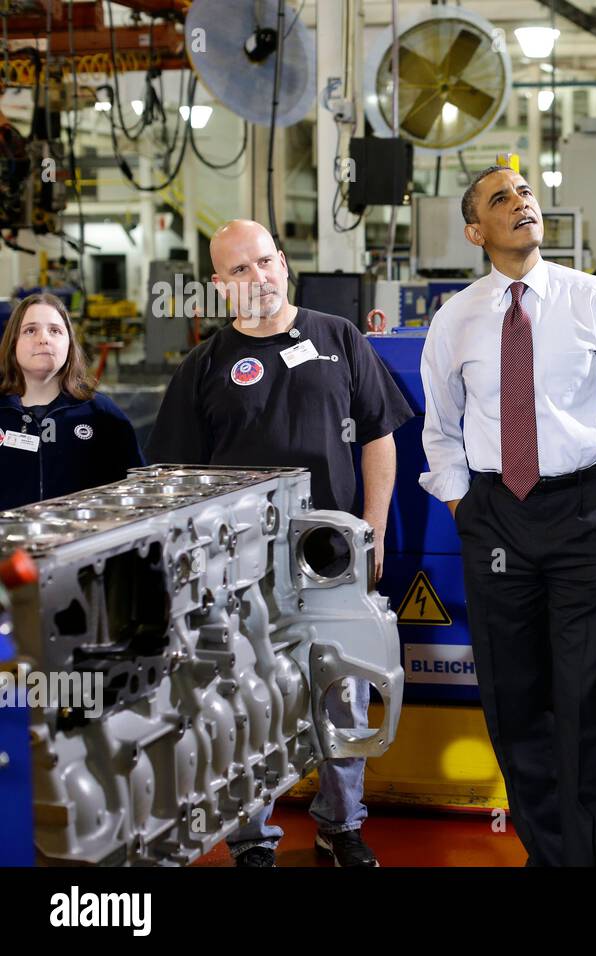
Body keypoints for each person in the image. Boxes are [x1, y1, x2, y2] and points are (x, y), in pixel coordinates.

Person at [147, 219, 412, 867]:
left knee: (343, 696)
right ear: (218, 285)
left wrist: (372, 525)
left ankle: (341, 826)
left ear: (283, 263)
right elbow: (176, 481)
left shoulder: (338, 338)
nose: (257, 278)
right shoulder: (204, 366)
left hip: (332, 558)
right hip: (238, 567)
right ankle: (251, 838)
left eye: (264, 262)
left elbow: (379, 435)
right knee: (245, 703)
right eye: (239, 271)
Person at [420, 165, 596, 867]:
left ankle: (581, 861)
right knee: (513, 697)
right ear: (475, 232)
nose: (521, 204)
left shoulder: (591, 298)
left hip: (583, 512)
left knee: (584, 699)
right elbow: (440, 424)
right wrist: (467, 503)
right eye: (501, 199)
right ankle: (546, 851)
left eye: (525, 192)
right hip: (496, 515)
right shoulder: (456, 316)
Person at [0, 292, 143, 510]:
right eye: (30, 330)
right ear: (13, 344)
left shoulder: (102, 414)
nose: (43, 338)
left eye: (55, 331)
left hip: (84, 541)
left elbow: (138, 492)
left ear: (69, 344)